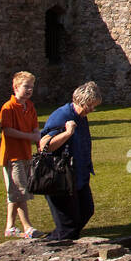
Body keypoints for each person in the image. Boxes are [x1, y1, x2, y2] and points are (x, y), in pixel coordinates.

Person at [38, 81, 102, 241]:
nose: (92, 110)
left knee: (86, 210)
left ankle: (63, 239)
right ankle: (54, 249)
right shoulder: (62, 116)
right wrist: (67, 133)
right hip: (60, 177)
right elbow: (44, 146)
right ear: (82, 101)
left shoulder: (81, 116)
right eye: (90, 106)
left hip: (78, 175)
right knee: (68, 226)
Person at [0, 70, 42, 238]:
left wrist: (38, 142)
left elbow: (35, 129)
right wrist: (30, 137)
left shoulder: (30, 107)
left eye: (31, 87)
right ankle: (27, 227)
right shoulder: (8, 108)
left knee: (15, 192)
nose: (29, 90)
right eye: (26, 86)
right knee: (21, 191)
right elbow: (7, 130)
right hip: (12, 156)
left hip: (26, 154)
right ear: (16, 87)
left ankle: (10, 226)